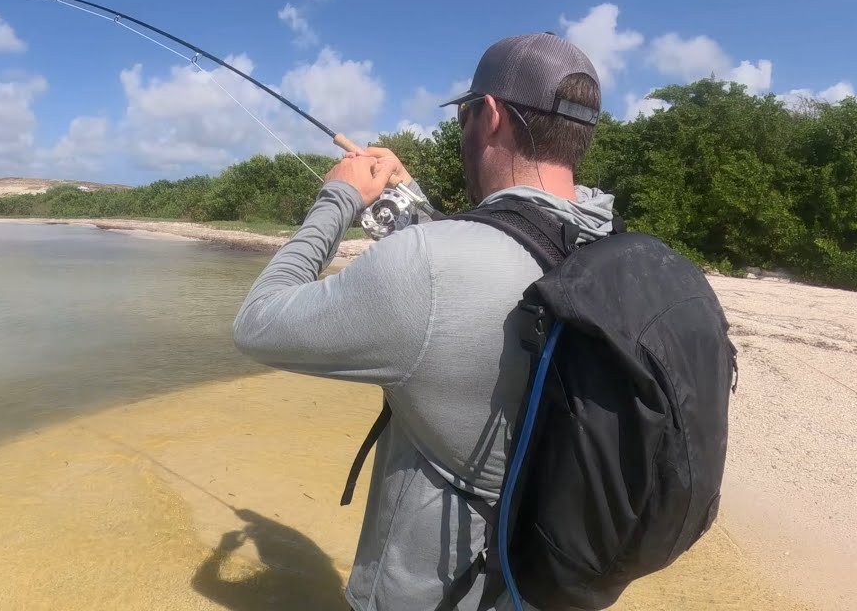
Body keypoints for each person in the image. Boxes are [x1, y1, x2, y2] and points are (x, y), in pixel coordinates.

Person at [232, 32, 613, 611]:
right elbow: (493, 256)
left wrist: (337, 198)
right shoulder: (607, 243)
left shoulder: (431, 268)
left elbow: (257, 323)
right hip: (544, 576)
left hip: (431, 594)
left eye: (464, 113)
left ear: (487, 115)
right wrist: (407, 195)